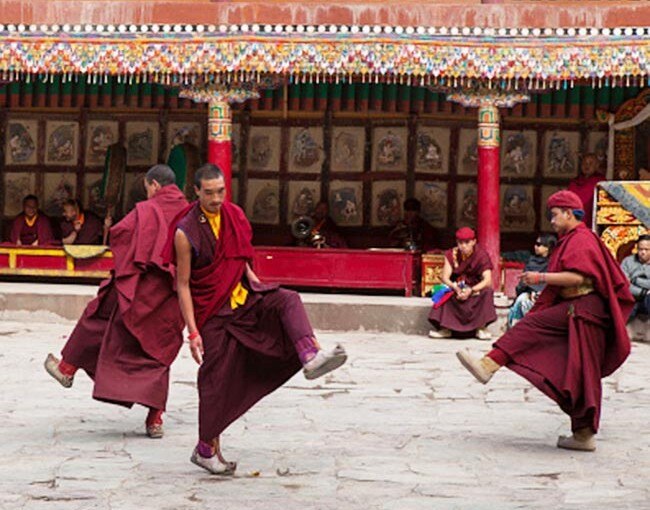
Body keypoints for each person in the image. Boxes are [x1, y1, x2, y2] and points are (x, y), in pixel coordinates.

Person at [170, 164, 347, 476]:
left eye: (220, 191)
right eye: (208, 193)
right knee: (216, 379)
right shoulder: (185, 232)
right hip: (212, 312)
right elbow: (182, 284)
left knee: (286, 299)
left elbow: (241, 261)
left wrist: (259, 289)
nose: (215, 198)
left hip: (243, 298)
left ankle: (310, 355)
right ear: (195, 192)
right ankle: (206, 449)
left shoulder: (234, 216)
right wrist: (192, 332)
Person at [457, 190, 634, 452]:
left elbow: (578, 278)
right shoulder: (569, 240)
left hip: (585, 309)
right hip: (575, 308)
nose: (551, 220)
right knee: (577, 369)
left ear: (568, 213)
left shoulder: (582, 239)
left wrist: (540, 279)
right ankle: (583, 434)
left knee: (548, 341)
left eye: (554, 215)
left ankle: (488, 364)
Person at [44, 165, 189, 438]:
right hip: (171, 295)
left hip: (138, 287)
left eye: (148, 188)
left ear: (155, 185)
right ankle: (155, 419)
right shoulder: (189, 211)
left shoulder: (148, 209)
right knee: (159, 352)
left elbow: (122, 233)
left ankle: (66, 368)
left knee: (97, 317)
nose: (148, 193)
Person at [428, 227, 496, 340]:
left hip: (474, 287)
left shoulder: (481, 255)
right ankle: (445, 328)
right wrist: (455, 287)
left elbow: (487, 280)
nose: (463, 246)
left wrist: (471, 290)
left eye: (467, 242)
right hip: (457, 286)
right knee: (442, 291)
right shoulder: (451, 254)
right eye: (460, 243)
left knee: (487, 292)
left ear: (474, 242)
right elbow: (445, 277)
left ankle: (481, 328)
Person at [507, 234, 557, 328]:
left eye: (539, 244)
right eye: (535, 244)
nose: (535, 247)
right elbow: (523, 284)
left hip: (546, 296)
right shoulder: (531, 260)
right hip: (528, 293)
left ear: (547, 248)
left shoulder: (553, 263)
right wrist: (530, 291)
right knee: (521, 300)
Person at [568, 153, 606, 228]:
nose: (587, 166)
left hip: (590, 219)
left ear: (597, 166)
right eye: (584, 163)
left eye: (590, 163)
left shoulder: (600, 182)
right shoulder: (574, 182)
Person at [621, 234, 650, 320]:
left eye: (646, 249)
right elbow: (624, 284)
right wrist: (643, 292)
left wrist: (636, 280)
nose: (643, 252)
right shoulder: (627, 261)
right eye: (640, 249)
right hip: (631, 298)